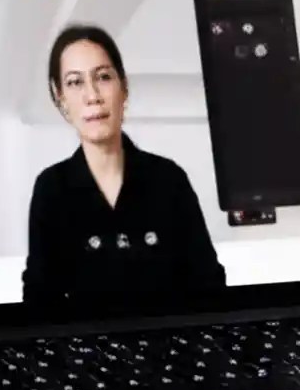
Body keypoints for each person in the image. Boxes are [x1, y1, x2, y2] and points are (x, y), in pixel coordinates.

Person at [22, 25, 226, 307]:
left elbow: (209, 285)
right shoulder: (52, 189)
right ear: (61, 98)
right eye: (75, 82)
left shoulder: (169, 180)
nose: (92, 95)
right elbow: (39, 300)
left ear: (124, 87)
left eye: (103, 77)